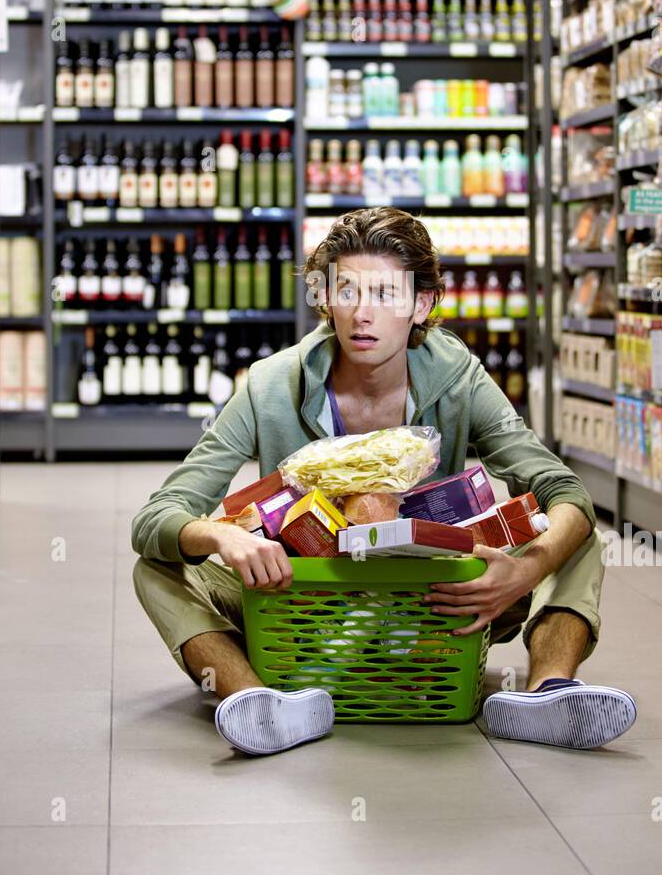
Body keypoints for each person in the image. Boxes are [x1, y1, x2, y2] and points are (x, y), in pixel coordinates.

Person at [131, 206, 636, 756]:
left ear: (422, 304)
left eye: (385, 294)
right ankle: (256, 703)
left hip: (434, 600)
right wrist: (222, 536)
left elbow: (565, 491)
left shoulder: (458, 379)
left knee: (574, 532)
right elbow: (160, 514)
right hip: (306, 597)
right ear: (324, 298)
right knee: (157, 567)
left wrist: (524, 570)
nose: (361, 314)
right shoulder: (272, 384)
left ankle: (549, 692)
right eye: (346, 291)